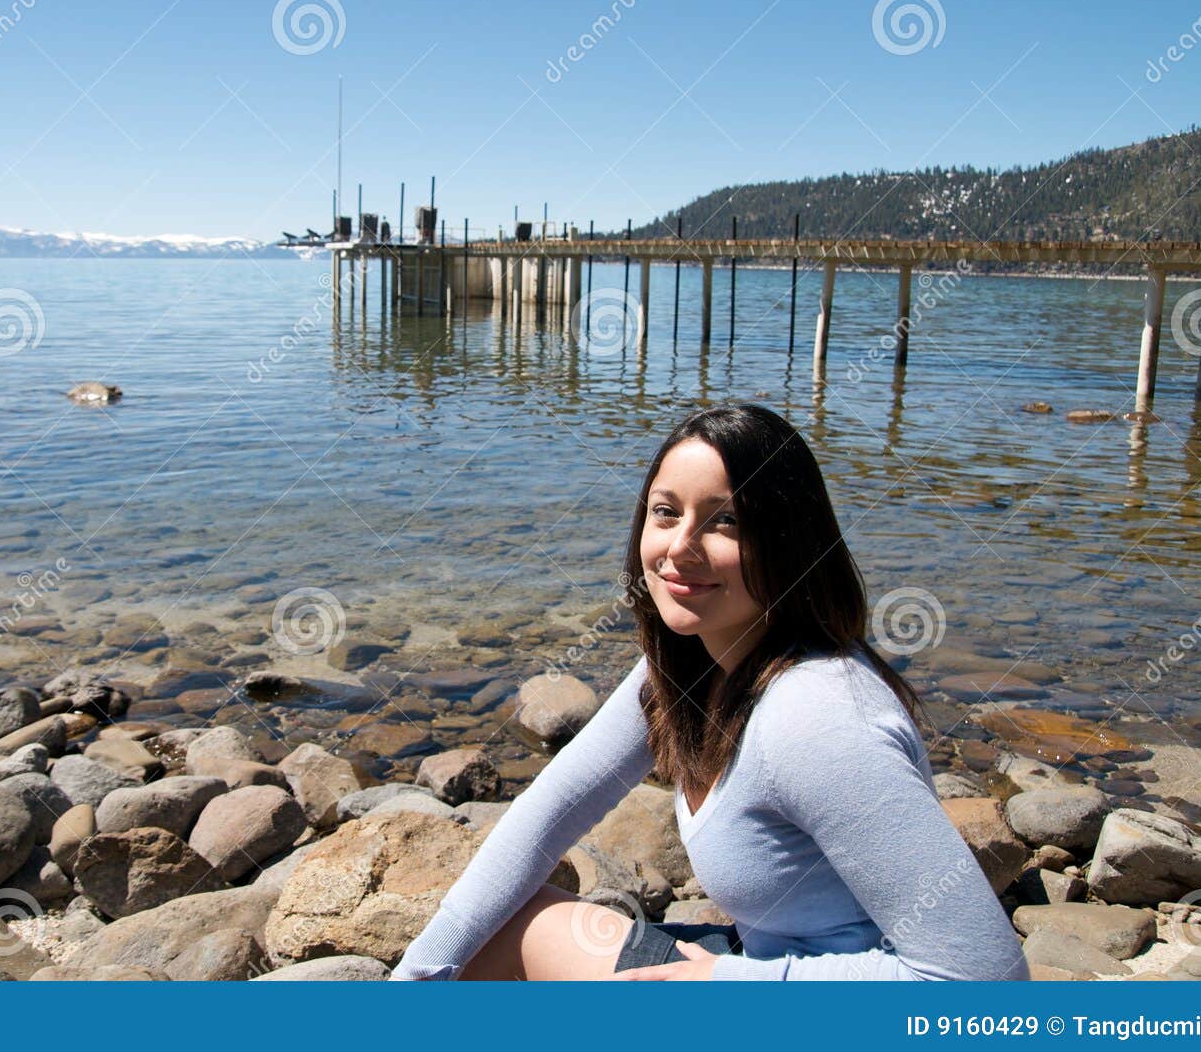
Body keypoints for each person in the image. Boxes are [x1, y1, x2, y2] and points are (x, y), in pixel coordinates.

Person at [390, 403, 1030, 981]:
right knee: (496, 925)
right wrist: (417, 975)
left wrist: (734, 987)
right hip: (763, 967)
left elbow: (986, 983)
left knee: (522, 936)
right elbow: (547, 814)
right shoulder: (688, 664)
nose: (679, 548)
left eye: (725, 522)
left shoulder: (816, 717)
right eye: (665, 512)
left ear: (788, 543)